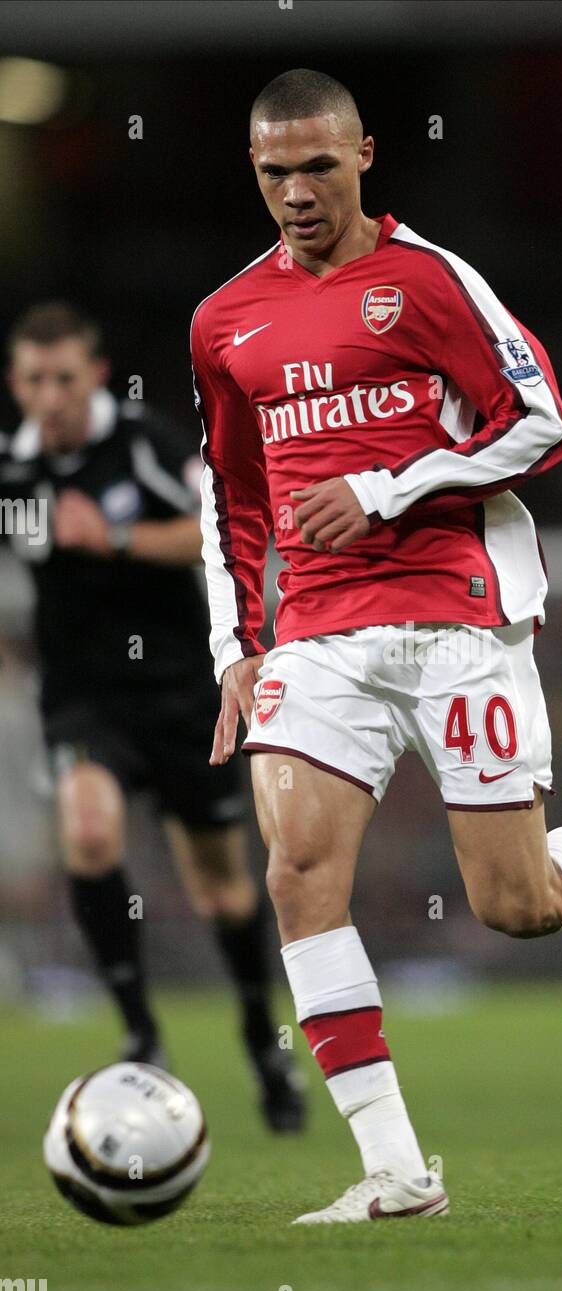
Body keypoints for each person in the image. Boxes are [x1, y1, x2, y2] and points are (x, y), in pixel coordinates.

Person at [191, 69, 562, 1222]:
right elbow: (232, 499)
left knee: (518, 905)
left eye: (317, 166)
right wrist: (233, 646)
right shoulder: (224, 320)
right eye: (272, 173)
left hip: (458, 613)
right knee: (298, 873)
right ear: (252, 173)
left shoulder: (429, 281)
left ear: (363, 153)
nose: (297, 193)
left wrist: (388, 487)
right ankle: (396, 1171)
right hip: (316, 630)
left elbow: (541, 419)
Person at [0, 302, 305, 1132]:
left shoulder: (149, 442)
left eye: (65, 377)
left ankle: (260, 1043)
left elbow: (226, 529)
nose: (51, 396)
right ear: (15, 385)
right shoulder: (14, 472)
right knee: (90, 833)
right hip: (84, 701)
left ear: (94, 376)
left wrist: (117, 537)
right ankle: (140, 1034)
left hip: (180, 692)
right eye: (34, 380)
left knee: (222, 886)